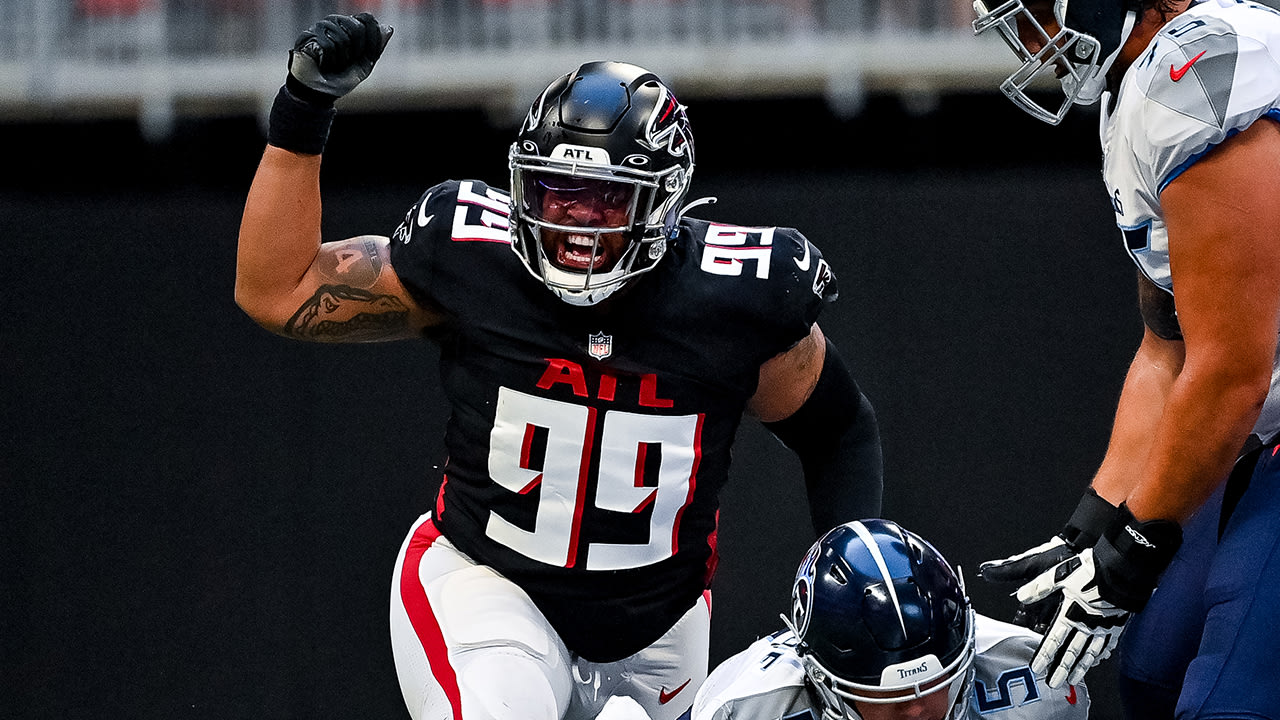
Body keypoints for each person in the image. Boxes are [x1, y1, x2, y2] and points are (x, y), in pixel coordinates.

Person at [233, 12, 884, 720]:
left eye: (606, 198)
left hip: (660, 631)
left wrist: (841, 589)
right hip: (486, 582)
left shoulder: (737, 297)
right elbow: (278, 290)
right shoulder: (474, 258)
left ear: (663, 199)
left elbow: (838, 432)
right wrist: (303, 112)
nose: (575, 223)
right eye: (556, 194)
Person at [971, 0, 1280, 718]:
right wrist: (1091, 527)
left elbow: (1232, 373)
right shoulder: (1142, 89)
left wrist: (1129, 557)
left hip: (1254, 409)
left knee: (1225, 703)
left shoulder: (1195, 73)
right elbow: (1165, 343)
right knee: (1151, 670)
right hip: (1259, 426)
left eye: (1028, 18)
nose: (1027, 44)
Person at [690, 519, 1091, 720]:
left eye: (935, 681)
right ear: (821, 677)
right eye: (892, 697)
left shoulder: (1032, 676)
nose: (916, 709)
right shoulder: (745, 707)